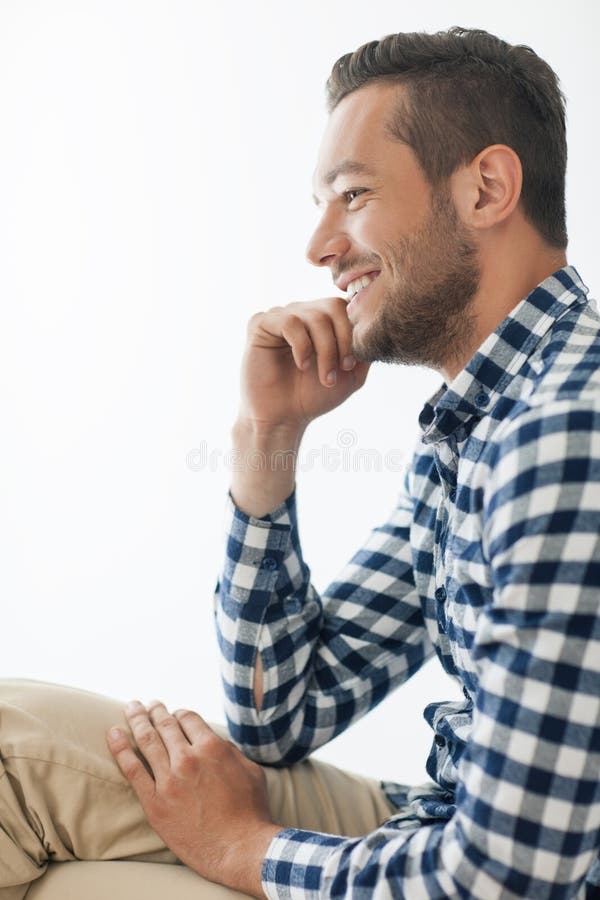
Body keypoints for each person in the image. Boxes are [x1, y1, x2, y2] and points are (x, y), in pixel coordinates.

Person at [1, 23, 599, 900]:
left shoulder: (564, 433)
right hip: (435, 820)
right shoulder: (481, 422)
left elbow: (507, 876)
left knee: (68, 885)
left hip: (497, 873)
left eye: (353, 194)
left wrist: (243, 848)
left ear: (487, 188)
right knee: (11, 752)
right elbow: (282, 716)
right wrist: (266, 439)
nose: (320, 246)